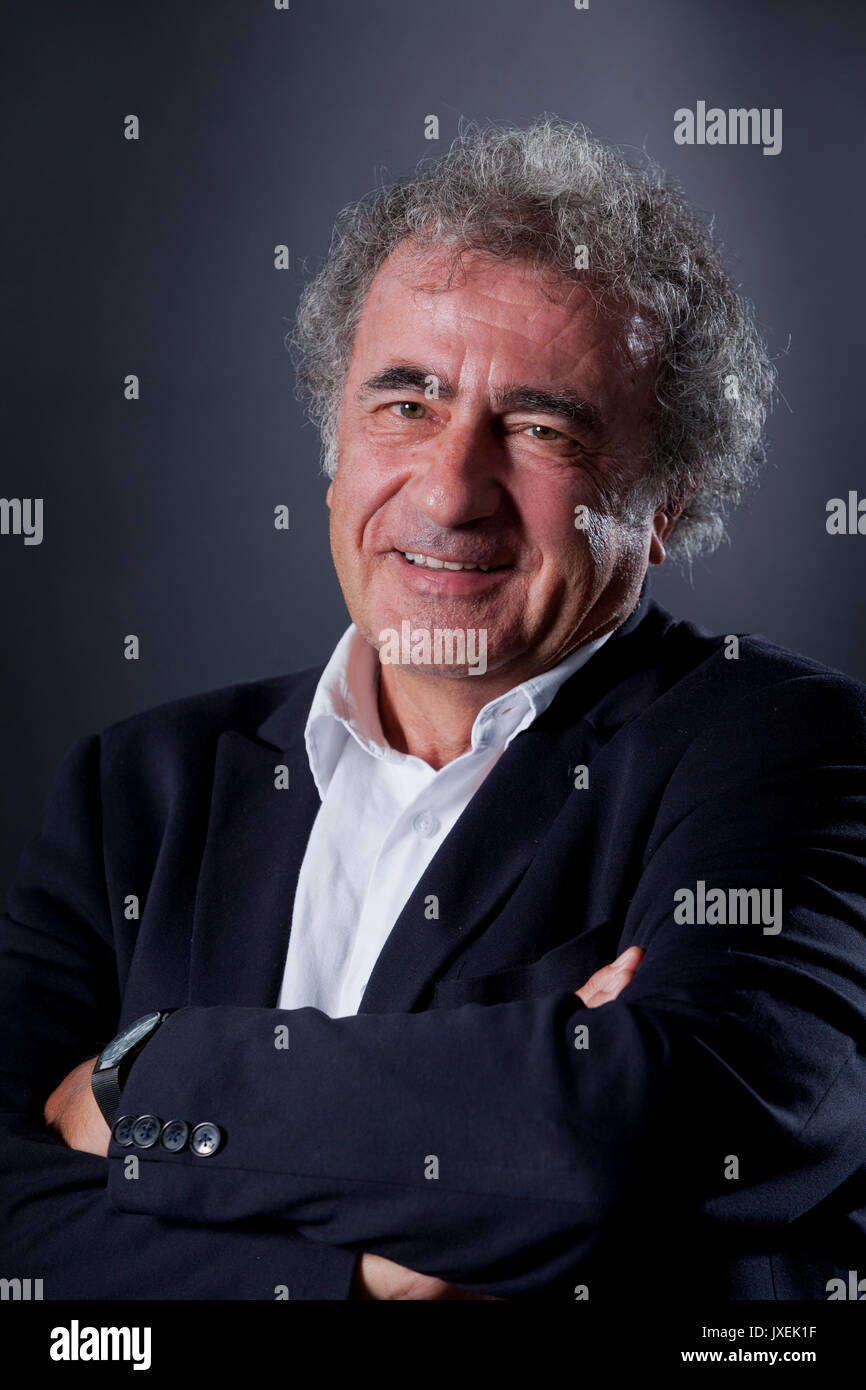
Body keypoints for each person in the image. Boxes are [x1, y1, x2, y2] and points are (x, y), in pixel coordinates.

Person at [2, 120, 865, 1302]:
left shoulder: (784, 752)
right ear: (334, 444)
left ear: (666, 500)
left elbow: (634, 1136)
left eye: (540, 428)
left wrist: (141, 1079)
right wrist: (345, 1281)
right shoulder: (138, 789)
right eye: (403, 405)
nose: (451, 489)